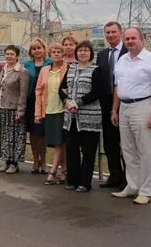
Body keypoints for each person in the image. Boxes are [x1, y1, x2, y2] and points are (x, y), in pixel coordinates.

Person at [111, 27, 151, 205]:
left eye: (133, 38)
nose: (130, 41)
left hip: (143, 106)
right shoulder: (122, 60)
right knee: (128, 150)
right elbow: (117, 86)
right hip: (124, 107)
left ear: (142, 40)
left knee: (146, 150)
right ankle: (133, 186)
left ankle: (146, 191)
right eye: (127, 39)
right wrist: (114, 110)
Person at [58, 40, 103, 192]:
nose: (82, 53)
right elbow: (62, 88)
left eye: (86, 50)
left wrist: (77, 103)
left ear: (91, 53)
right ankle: (72, 180)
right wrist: (67, 101)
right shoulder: (71, 68)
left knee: (88, 151)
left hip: (89, 116)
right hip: (71, 117)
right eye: (80, 50)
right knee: (71, 150)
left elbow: (97, 92)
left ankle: (85, 183)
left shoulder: (96, 70)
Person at [96, 21, 128, 189]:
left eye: (113, 32)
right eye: (107, 32)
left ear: (120, 33)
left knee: (127, 143)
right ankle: (115, 175)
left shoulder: (129, 51)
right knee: (110, 142)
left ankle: (128, 179)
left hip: (125, 101)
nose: (110, 35)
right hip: (106, 103)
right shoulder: (102, 54)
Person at [35, 43, 69, 185]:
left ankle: (52, 172)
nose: (56, 54)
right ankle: (65, 171)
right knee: (57, 143)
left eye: (59, 52)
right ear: (50, 54)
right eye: (54, 52)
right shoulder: (44, 70)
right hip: (48, 110)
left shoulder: (68, 68)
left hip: (63, 110)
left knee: (59, 142)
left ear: (63, 54)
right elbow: (38, 92)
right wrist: (37, 113)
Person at [0, 45, 29, 174]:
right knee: (4, 136)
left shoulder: (22, 71)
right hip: (1, 107)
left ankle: (14, 164)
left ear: (17, 56)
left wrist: (21, 110)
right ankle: (6, 162)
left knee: (13, 137)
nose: (9, 56)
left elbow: (23, 93)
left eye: (12, 54)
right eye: (7, 54)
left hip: (13, 109)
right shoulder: (3, 69)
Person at [24, 39, 51, 174]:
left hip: (45, 101)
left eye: (39, 48)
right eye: (34, 49)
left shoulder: (50, 63)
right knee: (34, 133)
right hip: (31, 101)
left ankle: (44, 161)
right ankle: (35, 160)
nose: (37, 51)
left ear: (44, 49)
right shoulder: (27, 65)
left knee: (43, 133)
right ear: (31, 51)